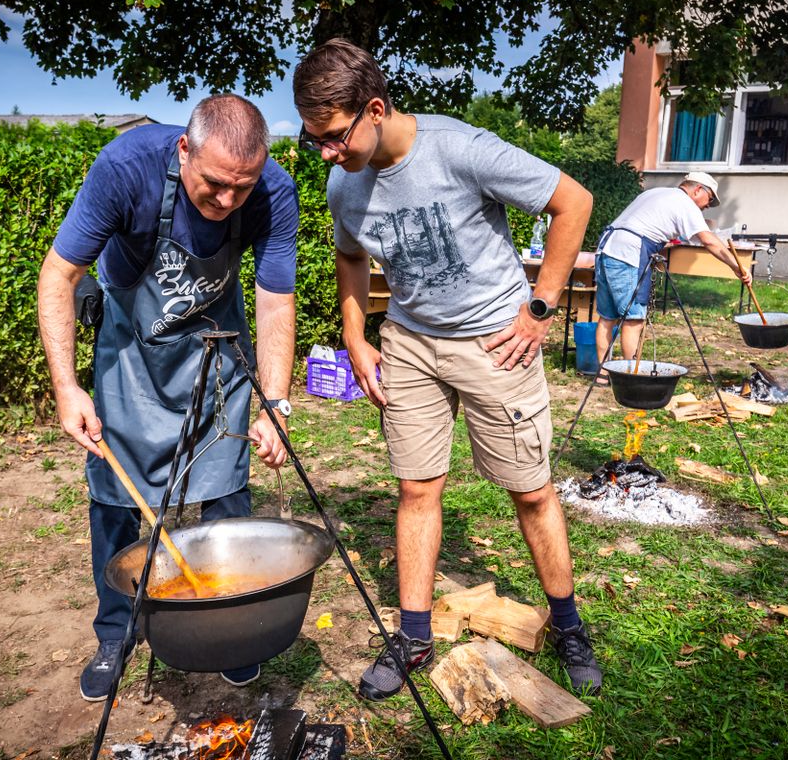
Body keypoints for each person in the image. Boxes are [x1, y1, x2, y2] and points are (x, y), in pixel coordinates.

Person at [292, 38, 603, 699]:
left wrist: (540, 307)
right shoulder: (343, 182)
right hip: (410, 345)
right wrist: (355, 336)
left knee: (531, 491)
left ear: (374, 110)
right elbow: (350, 257)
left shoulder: (460, 148)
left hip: (497, 343)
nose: (325, 152)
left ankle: (570, 624)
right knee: (416, 491)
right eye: (312, 138)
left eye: (334, 136)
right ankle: (411, 634)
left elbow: (572, 201)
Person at [36, 94, 298, 701]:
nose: (227, 201)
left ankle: (232, 629)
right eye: (213, 185)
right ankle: (115, 630)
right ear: (184, 149)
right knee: (114, 496)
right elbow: (60, 275)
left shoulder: (273, 192)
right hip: (132, 353)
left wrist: (275, 404)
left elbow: (274, 298)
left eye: (242, 186)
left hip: (216, 349)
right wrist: (67, 386)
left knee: (228, 491)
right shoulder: (126, 168)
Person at [593, 172, 751, 374]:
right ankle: (630, 377)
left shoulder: (656, 193)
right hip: (629, 253)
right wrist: (736, 267)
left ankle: (603, 375)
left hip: (606, 248)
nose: (706, 206)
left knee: (607, 317)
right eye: (709, 200)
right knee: (633, 319)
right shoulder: (684, 203)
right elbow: (709, 240)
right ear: (697, 190)